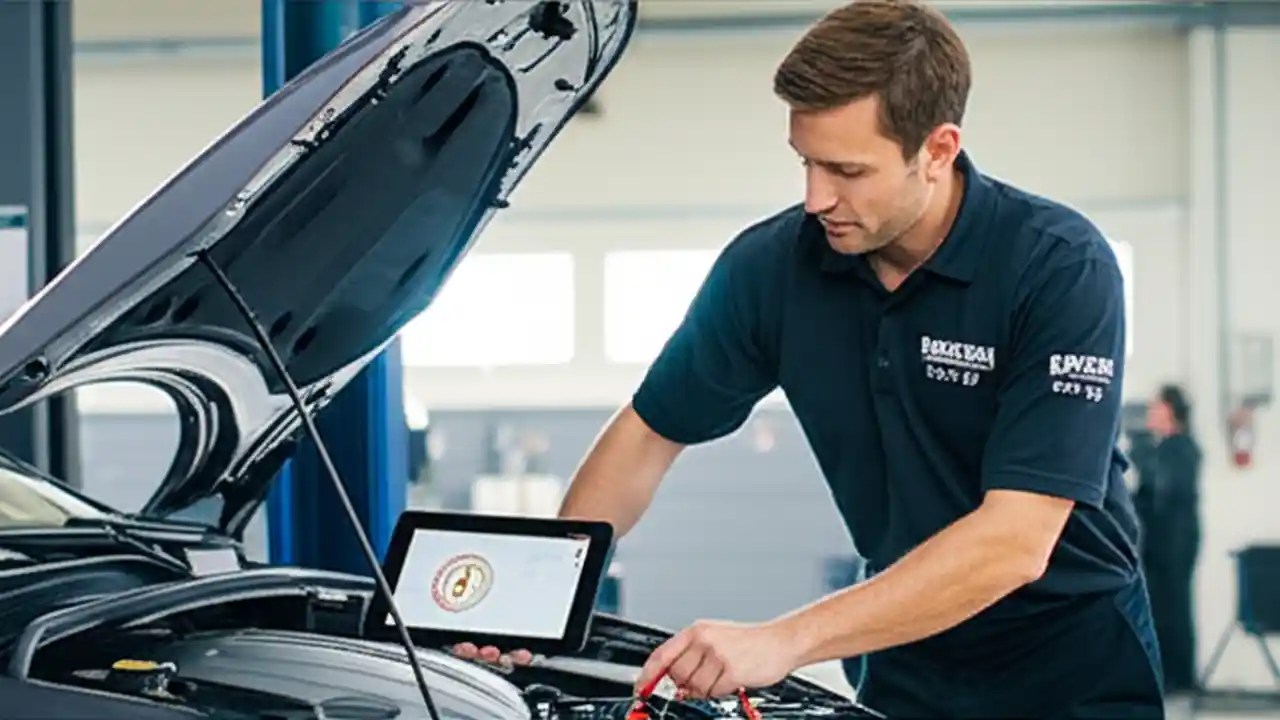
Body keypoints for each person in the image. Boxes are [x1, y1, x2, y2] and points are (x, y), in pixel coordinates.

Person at [456, 0, 1163, 715]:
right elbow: (647, 434)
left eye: (847, 170)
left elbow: (1014, 541)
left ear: (939, 150)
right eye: (805, 162)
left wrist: (785, 640)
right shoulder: (773, 270)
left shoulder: (1058, 267)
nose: (816, 197)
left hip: (1069, 665)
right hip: (904, 657)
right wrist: (537, 589)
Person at [1135, 384, 1202, 695]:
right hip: (1158, 540)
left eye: (1156, 408)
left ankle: (1181, 677)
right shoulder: (1159, 449)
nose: (1150, 414)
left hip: (1176, 541)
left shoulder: (1181, 449)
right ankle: (1164, 675)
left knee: (1175, 606)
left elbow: (1165, 490)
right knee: (1159, 606)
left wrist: (1143, 454)